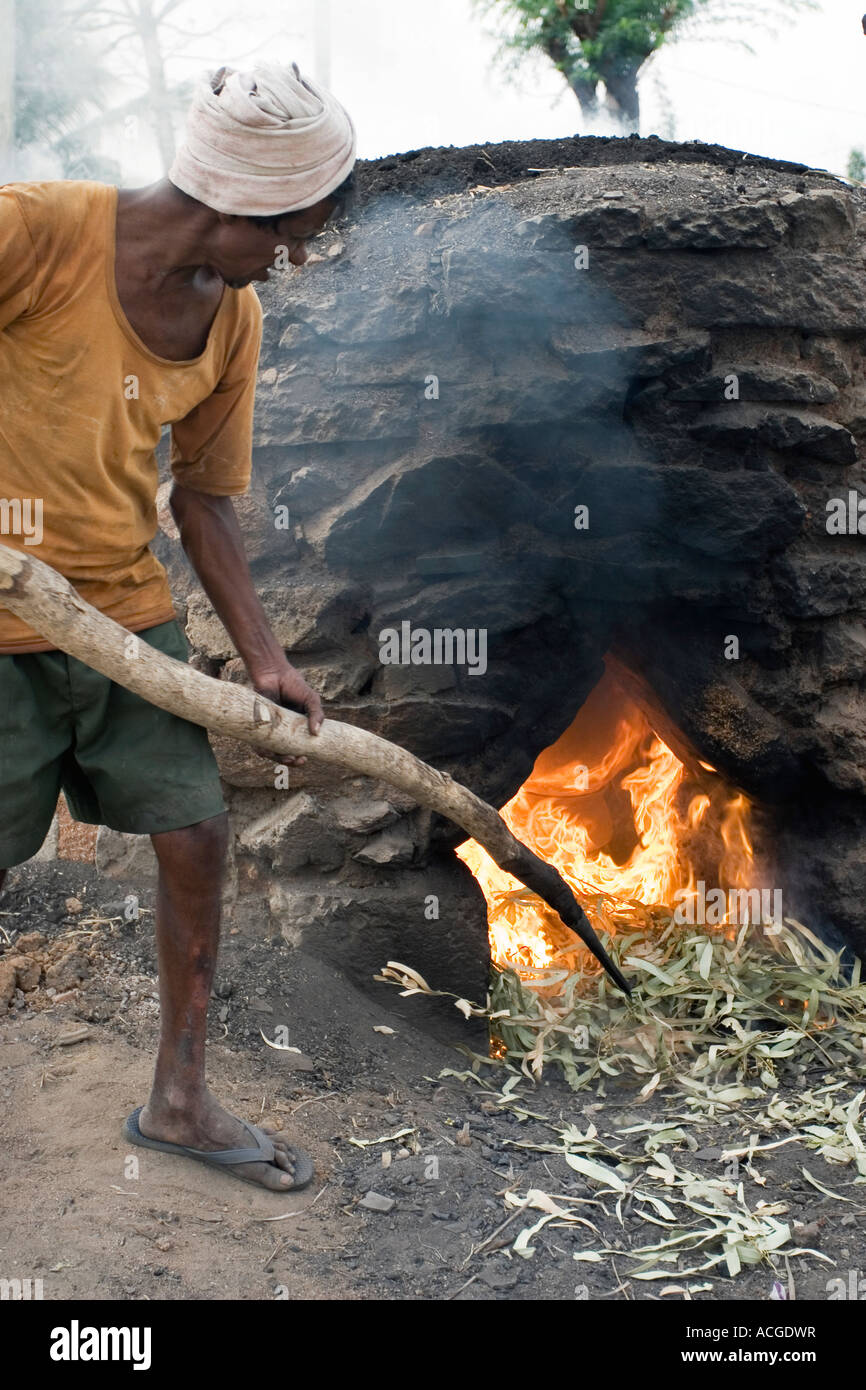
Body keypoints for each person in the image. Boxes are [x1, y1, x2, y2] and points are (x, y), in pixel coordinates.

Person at [0, 61, 356, 1191]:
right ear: (234, 206)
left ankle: (181, 1099)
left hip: (121, 616)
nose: (292, 259)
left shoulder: (233, 314)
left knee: (195, 834)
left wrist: (264, 657)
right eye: (289, 234)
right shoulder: (37, 232)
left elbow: (203, 497)